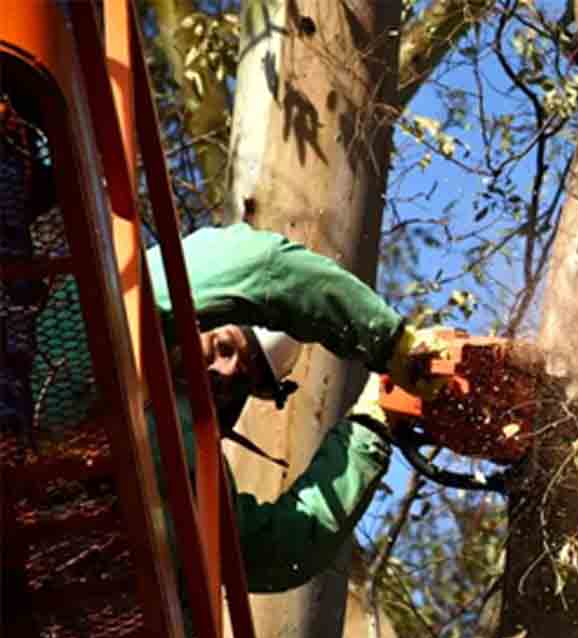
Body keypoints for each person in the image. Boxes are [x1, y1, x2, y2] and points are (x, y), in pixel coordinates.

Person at [144, 222, 439, 592]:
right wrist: (394, 343)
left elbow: (277, 551)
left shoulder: (193, 473)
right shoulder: (137, 305)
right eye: (224, 347)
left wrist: (369, 428)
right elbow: (260, 264)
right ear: (209, 312)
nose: (222, 374)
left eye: (242, 382)